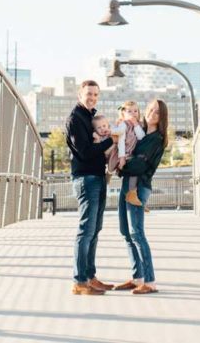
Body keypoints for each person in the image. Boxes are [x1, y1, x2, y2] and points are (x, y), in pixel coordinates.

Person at [66, 80, 115, 295]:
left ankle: (90, 276)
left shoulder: (91, 117)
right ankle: (79, 281)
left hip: (98, 177)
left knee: (95, 230)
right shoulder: (75, 119)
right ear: (80, 94)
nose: (92, 97)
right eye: (89, 94)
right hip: (86, 179)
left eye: (96, 94)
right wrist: (110, 141)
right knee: (86, 231)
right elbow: (85, 152)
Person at [115, 98, 168, 294]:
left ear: (161, 118)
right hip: (126, 184)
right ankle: (137, 277)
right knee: (126, 232)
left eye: (157, 112)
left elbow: (140, 164)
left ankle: (150, 281)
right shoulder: (139, 131)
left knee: (137, 233)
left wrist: (121, 166)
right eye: (150, 109)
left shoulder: (156, 139)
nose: (152, 113)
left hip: (138, 188)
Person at [107, 101, 145, 205]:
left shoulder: (139, 125)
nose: (133, 113)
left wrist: (136, 124)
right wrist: (122, 157)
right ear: (123, 114)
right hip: (124, 152)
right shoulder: (124, 124)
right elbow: (121, 141)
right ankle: (108, 178)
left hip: (134, 153)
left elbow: (141, 137)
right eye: (130, 111)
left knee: (134, 171)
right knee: (112, 166)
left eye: (135, 111)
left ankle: (132, 193)